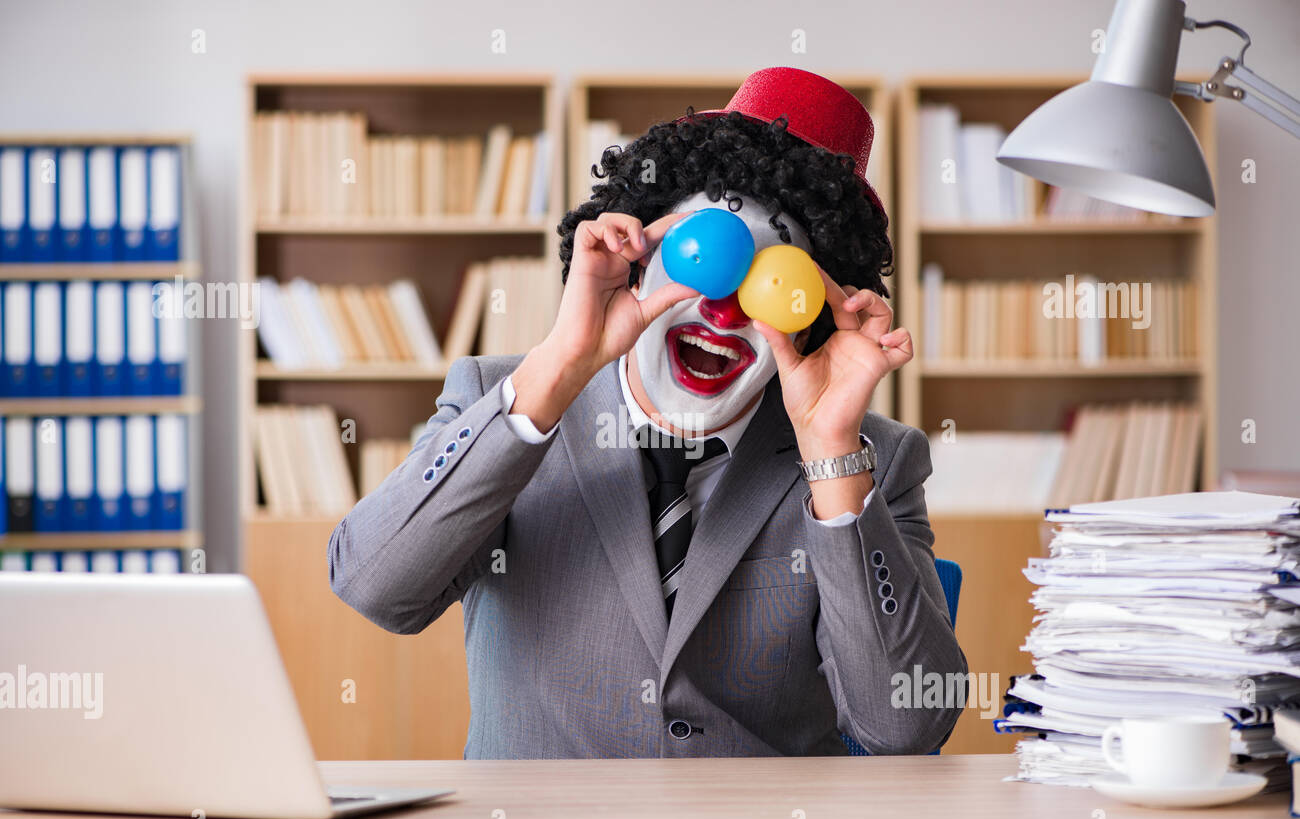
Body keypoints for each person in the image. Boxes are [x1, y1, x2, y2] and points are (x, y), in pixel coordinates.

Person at [329, 67, 968, 758]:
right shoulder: (507, 398)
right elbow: (374, 589)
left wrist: (830, 449)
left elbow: (906, 728)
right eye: (709, 253)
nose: (723, 312)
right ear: (642, 255)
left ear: (814, 312)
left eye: (770, 278)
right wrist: (558, 371)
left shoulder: (872, 456)